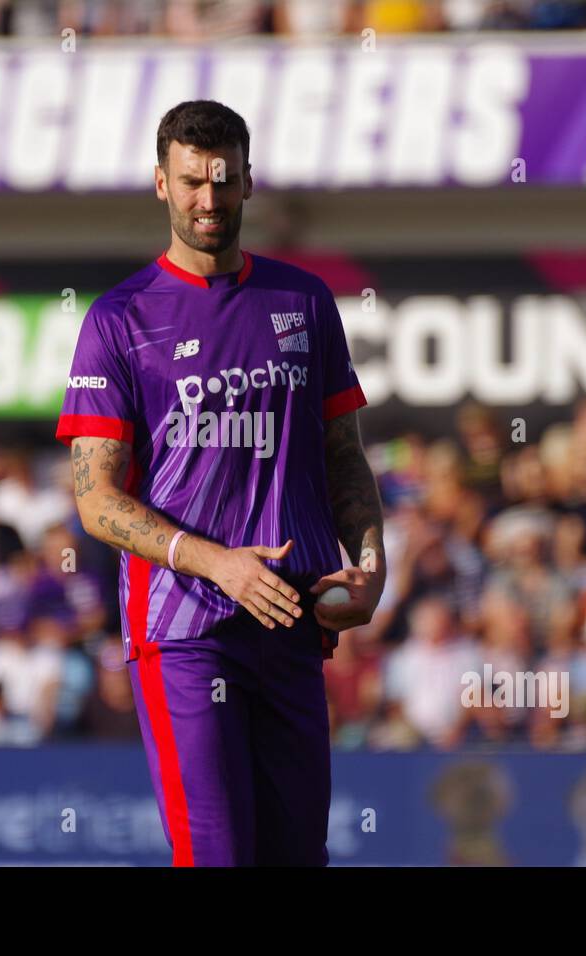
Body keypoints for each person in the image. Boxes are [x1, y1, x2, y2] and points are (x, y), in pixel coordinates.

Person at [56, 100, 385, 866]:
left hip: (293, 624)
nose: (210, 200)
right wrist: (217, 562)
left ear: (247, 182)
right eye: (192, 182)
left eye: (224, 181)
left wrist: (371, 566)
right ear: (161, 185)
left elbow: (344, 456)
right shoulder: (120, 320)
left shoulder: (303, 301)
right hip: (184, 631)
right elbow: (95, 498)